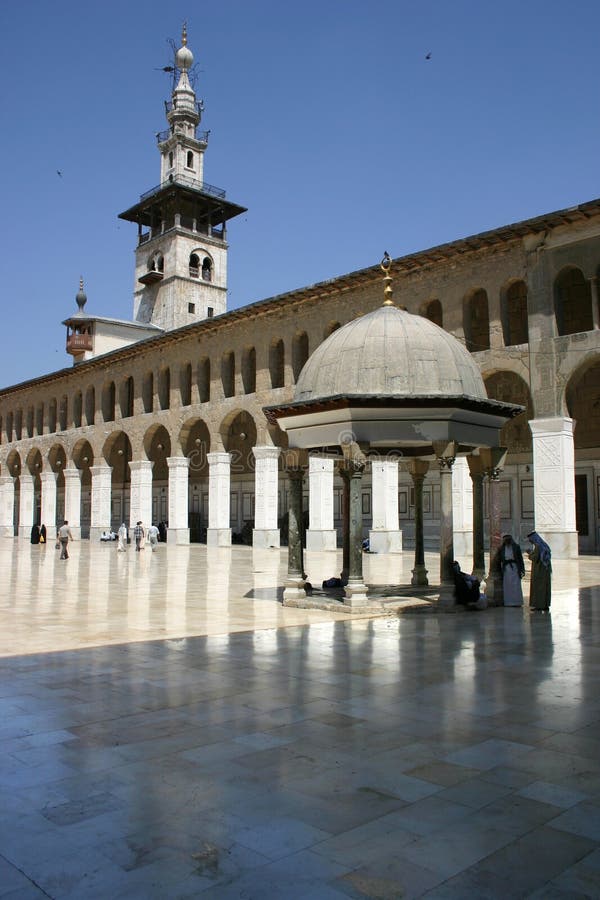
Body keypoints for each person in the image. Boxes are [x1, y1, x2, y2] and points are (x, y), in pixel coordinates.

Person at [527, 531, 552, 612]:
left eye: (530, 540)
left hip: (539, 571)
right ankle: (545, 605)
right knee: (545, 588)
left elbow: (535, 558)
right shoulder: (544, 545)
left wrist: (530, 553)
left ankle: (539, 605)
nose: (530, 541)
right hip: (545, 570)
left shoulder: (538, 547)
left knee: (539, 588)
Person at [499, 534, 525, 607]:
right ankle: (508, 602)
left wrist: (522, 569)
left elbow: (520, 559)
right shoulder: (502, 548)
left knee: (516, 585)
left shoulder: (516, 547)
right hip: (506, 569)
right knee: (507, 585)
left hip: (515, 568)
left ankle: (517, 602)